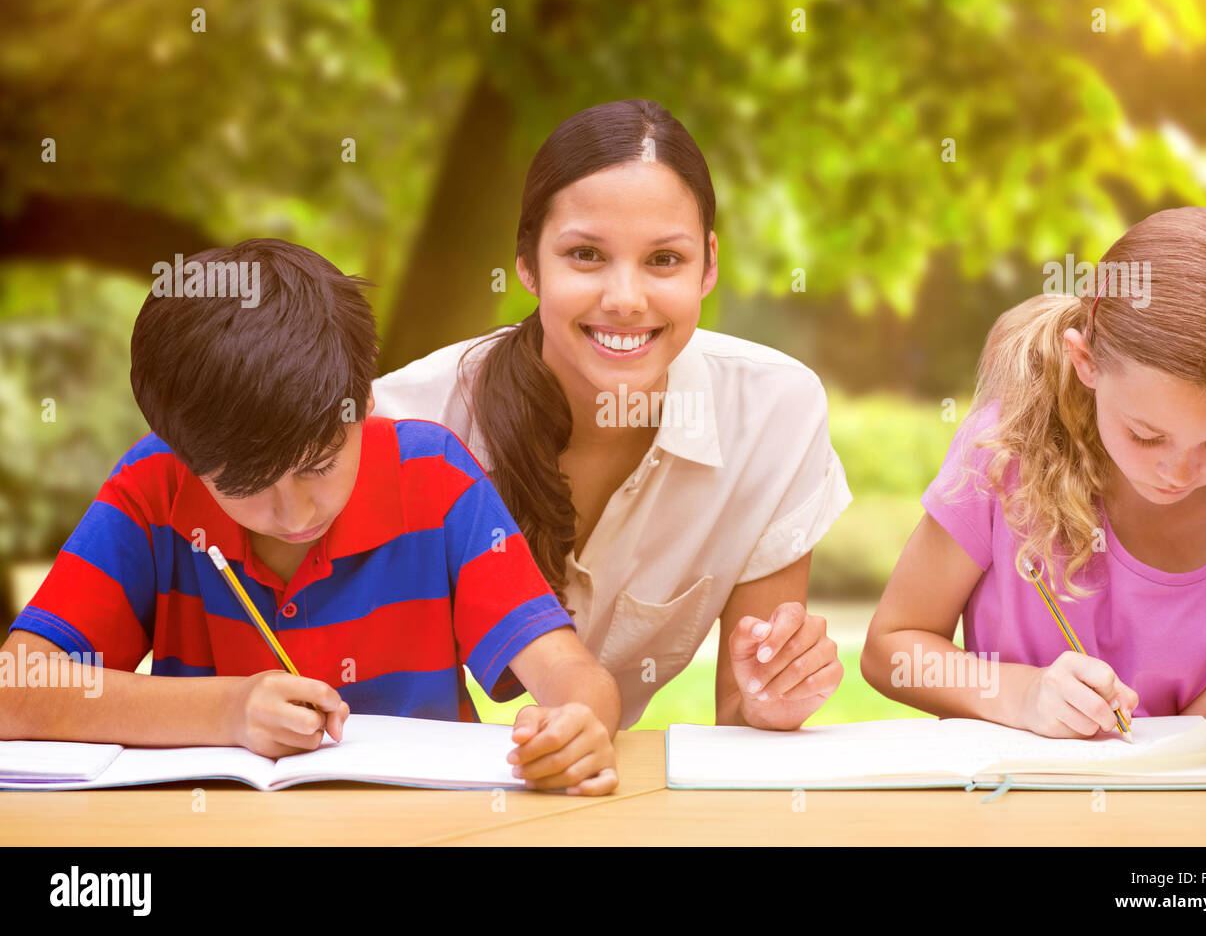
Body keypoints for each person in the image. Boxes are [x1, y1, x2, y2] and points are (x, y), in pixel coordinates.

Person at [0, 238, 621, 795]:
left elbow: (570, 670)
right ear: (184, 454)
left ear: (365, 402)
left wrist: (578, 721)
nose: (294, 513)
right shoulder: (154, 487)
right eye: (243, 485)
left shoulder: (434, 479)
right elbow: (16, 689)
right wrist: (226, 711)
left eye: (319, 466)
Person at [374, 99, 852, 730]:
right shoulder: (403, 423)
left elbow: (744, 708)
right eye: (586, 255)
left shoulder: (774, 414)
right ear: (527, 264)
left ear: (708, 265)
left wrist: (773, 696)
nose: (625, 300)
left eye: (663, 260)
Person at [862, 206, 1206, 738]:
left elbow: (1191, 753)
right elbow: (892, 647)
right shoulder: (1004, 456)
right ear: (1085, 361)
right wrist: (1021, 695)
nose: (1178, 471)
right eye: (1146, 434)